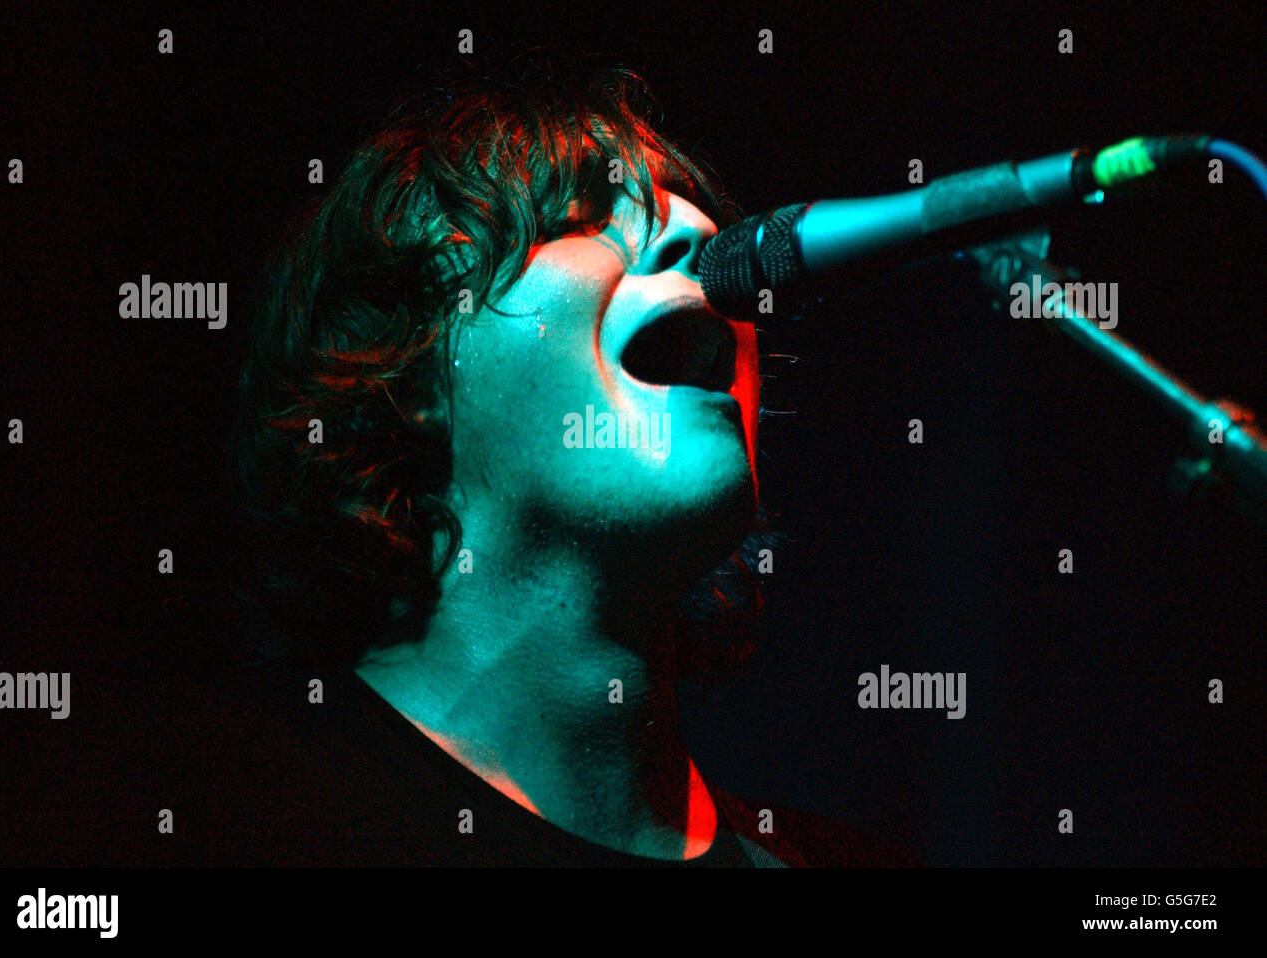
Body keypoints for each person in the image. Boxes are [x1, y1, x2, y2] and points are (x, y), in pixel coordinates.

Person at [222, 53, 913, 867]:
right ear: (401, 372)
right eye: (578, 218)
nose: (696, 229)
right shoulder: (195, 804)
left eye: (688, 211)